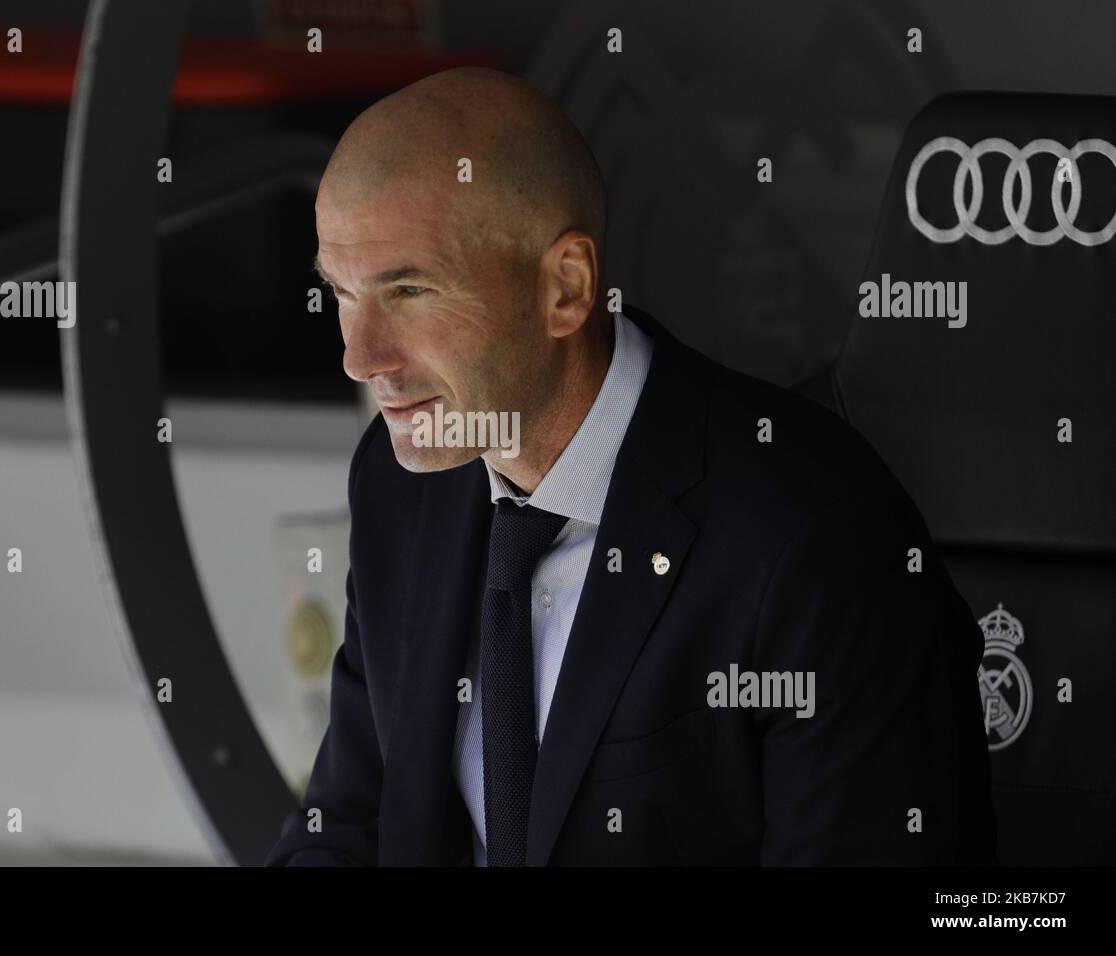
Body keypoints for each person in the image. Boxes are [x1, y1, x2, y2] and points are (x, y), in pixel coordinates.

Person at [265, 66, 995, 866]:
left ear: (566, 288)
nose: (359, 357)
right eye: (340, 292)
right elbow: (347, 826)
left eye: (408, 291)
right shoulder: (399, 485)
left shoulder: (813, 534)